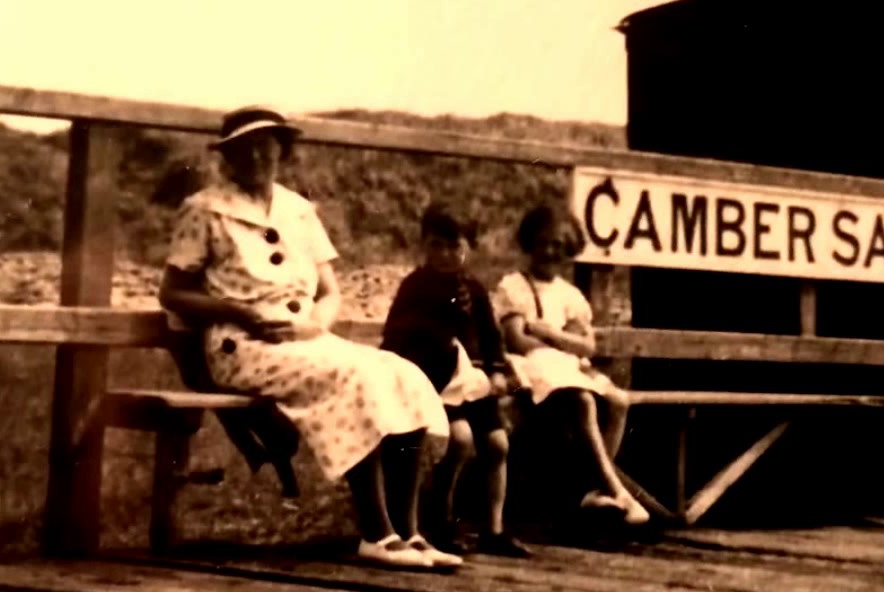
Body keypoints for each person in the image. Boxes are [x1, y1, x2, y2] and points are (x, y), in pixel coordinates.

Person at [158, 106, 459, 569]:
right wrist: (237, 311)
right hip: (241, 345)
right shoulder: (204, 210)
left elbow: (330, 291)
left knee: (403, 373)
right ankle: (376, 533)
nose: (259, 156)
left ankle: (409, 531)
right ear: (229, 157)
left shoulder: (298, 210)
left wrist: (315, 323)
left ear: (283, 150)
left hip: (304, 337)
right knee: (354, 376)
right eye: (246, 148)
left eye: (268, 146)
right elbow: (173, 293)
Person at [380, 203, 531, 558]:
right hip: (434, 382)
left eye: (455, 246)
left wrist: (495, 369)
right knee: (459, 439)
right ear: (423, 246)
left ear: (469, 249)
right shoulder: (415, 286)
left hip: (473, 382)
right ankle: (440, 517)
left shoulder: (474, 289)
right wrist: (434, 337)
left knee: (497, 443)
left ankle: (494, 528)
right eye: (436, 246)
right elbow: (395, 334)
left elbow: (492, 335)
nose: (446, 255)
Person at [493, 203, 649, 525]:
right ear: (530, 244)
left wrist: (548, 332)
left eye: (558, 246)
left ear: (568, 250)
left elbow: (586, 345)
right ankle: (614, 489)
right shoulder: (515, 286)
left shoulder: (570, 295)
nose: (549, 252)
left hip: (563, 365)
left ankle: (593, 489)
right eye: (543, 244)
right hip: (530, 368)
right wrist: (564, 343)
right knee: (582, 400)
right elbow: (517, 341)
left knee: (619, 401)